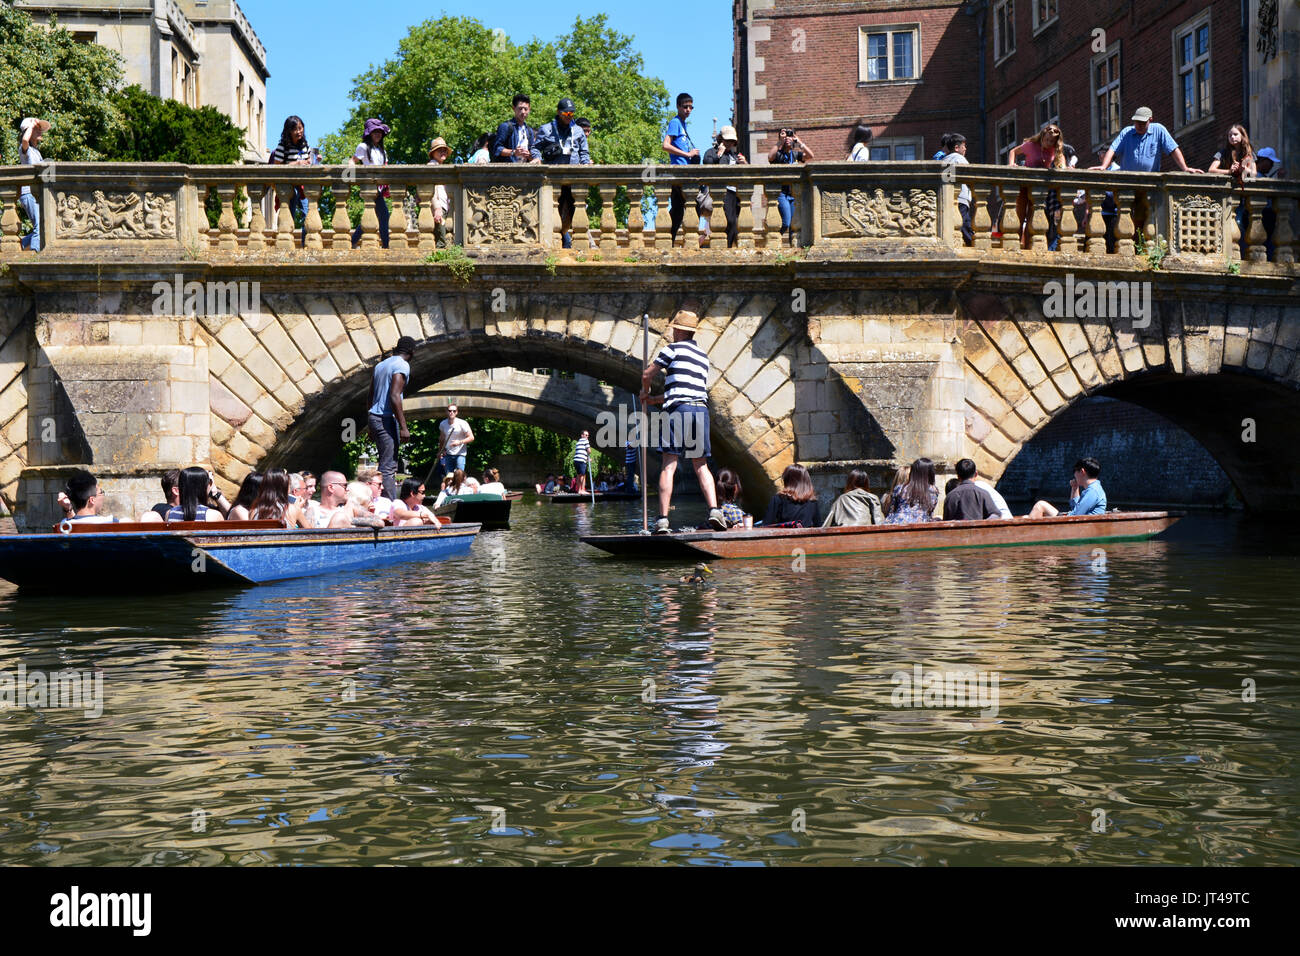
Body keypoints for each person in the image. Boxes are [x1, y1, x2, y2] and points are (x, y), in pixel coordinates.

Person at [641, 300, 726, 533]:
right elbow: (682, 391)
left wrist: (644, 391)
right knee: (702, 465)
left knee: (669, 465)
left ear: (678, 331)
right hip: (699, 410)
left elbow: (648, 374)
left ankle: (662, 520)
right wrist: (654, 400)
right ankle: (714, 511)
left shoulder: (673, 349)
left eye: (673, 330)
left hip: (679, 411)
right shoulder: (702, 357)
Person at [1092, 107, 1202, 238]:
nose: (1138, 125)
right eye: (1136, 122)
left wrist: (1185, 168)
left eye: (1142, 123)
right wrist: (1104, 166)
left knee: (1142, 218)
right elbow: (1113, 149)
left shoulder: (1159, 130)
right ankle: (1130, 246)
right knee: (1124, 217)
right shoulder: (1127, 132)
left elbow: (1173, 149)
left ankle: (1139, 245)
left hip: (1147, 185)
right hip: (1127, 184)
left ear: (1150, 120)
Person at [535, 98, 592, 249]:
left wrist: (585, 166)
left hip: (573, 177)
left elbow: (584, 153)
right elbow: (535, 148)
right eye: (566, 113)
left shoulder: (578, 131)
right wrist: (536, 158)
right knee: (554, 211)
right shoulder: (546, 129)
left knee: (575, 212)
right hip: (554, 179)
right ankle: (555, 243)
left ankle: (564, 237)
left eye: (572, 113)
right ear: (558, 112)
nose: (569, 116)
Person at [369, 336, 416, 501]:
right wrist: (404, 427)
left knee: (384, 462)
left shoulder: (380, 365)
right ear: (411, 352)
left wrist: (370, 426)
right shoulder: (402, 365)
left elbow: (371, 395)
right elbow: (395, 396)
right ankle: (389, 504)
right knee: (388, 467)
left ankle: (378, 498)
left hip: (374, 417)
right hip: (386, 419)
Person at [1008, 123, 1065, 250]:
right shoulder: (1030, 145)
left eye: (1052, 141)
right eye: (1047, 139)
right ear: (1043, 135)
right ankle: (1014, 245)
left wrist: (1065, 168)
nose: (1048, 142)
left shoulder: (1055, 150)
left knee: (1032, 217)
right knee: (1020, 214)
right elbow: (1013, 151)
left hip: (1039, 187)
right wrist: (1011, 165)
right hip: (1024, 185)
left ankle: (1029, 246)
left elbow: (1062, 164)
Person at [269, 115, 317, 245]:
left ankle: (304, 244)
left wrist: (312, 161)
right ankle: (285, 242)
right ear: (288, 131)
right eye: (295, 129)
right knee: (289, 214)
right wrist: (297, 163)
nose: (299, 131)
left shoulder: (305, 146)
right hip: (288, 187)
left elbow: (308, 163)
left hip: (303, 186)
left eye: (301, 128)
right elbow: (276, 168)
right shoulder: (282, 147)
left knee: (308, 214)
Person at [662, 93, 702, 245]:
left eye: (691, 107)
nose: (688, 110)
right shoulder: (675, 122)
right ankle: (690, 238)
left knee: (678, 209)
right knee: (694, 205)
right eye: (685, 107)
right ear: (678, 106)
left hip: (683, 171)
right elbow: (665, 145)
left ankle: (668, 240)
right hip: (679, 172)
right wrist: (687, 154)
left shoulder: (682, 124)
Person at [703, 126, 747, 248]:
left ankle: (728, 247)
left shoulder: (735, 154)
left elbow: (746, 174)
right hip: (721, 192)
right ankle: (724, 248)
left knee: (735, 224)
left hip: (736, 193)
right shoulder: (711, 152)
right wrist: (719, 154)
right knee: (729, 222)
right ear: (720, 139)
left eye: (732, 141)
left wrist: (745, 164)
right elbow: (707, 165)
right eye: (727, 141)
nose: (730, 144)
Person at [351, 118, 391, 248]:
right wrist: (351, 178)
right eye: (375, 131)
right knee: (384, 215)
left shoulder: (382, 151)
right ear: (369, 133)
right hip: (369, 187)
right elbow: (352, 161)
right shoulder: (363, 147)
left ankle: (352, 242)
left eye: (380, 131)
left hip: (379, 188)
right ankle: (386, 246)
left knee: (373, 216)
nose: (378, 134)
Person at [768, 128, 814, 240]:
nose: (787, 138)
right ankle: (773, 240)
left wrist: (799, 142)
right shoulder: (778, 154)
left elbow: (810, 156)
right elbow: (770, 157)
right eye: (785, 135)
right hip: (782, 193)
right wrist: (780, 141)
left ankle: (792, 246)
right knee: (786, 223)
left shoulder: (795, 154)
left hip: (794, 193)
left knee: (795, 224)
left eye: (790, 135)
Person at [1028, 457, 1107, 518]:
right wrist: (1074, 488)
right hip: (1080, 526)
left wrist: (1062, 516)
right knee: (1041, 507)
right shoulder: (1094, 489)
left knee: (1040, 505)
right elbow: (1075, 507)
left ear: (1082, 472)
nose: (1074, 475)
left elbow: (1076, 514)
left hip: (1079, 528)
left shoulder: (1093, 491)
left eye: (1075, 471)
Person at [18, 117, 50, 252]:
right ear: (29, 131)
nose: (40, 131)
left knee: (43, 228)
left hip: (36, 193)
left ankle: (16, 245)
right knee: (39, 227)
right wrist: (30, 126)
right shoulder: (24, 149)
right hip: (28, 193)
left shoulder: (36, 151)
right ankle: (35, 255)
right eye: (37, 129)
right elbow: (25, 140)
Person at [882, 458, 938, 524]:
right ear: (930, 473)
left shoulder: (900, 488)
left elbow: (892, 510)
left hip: (896, 523)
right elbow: (929, 514)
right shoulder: (933, 491)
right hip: (920, 526)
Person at [493, 94, 541, 164]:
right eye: (520, 108)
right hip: (508, 170)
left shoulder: (529, 131)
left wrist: (529, 155)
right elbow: (497, 149)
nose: (523, 112)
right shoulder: (505, 126)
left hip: (525, 170)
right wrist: (514, 152)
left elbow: (532, 152)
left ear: (529, 110)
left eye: (526, 109)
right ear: (514, 108)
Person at [943, 133, 973, 245]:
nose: (965, 148)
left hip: (949, 198)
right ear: (956, 148)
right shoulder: (959, 158)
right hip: (961, 198)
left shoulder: (945, 160)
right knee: (964, 222)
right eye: (963, 146)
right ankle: (970, 242)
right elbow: (969, 176)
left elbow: (945, 179)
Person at [426, 137, 453, 248]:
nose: (443, 152)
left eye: (444, 150)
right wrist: (437, 208)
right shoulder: (432, 166)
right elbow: (431, 190)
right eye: (439, 150)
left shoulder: (441, 167)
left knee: (445, 239)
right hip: (439, 208)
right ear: (433, 153)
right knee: (441, 242)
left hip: (444, 207)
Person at [436, 403, 474, 476]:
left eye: (454, 411)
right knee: (449, 477)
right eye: (450, 411)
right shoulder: (443, 424)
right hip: (448, 454)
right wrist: (440, 451)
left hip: (460, 454)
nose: (451, 412)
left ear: (457, 412)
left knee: (459, 476)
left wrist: (459, 442)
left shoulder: (462, 423)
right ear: (447, 412)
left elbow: (471, 437)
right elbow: (441, 439)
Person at [572, 430, 591, 494]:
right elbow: (589, 450)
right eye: (586, 435)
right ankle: (582, 490)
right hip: (581, 461)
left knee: (578, 475)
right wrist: (588, 458)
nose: (587, 436)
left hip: (576, 460)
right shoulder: (586, 441)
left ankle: (579, 490)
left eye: (588, 435)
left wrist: (586, 459)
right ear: (582, 435)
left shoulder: (578, 442)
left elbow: (581, 452)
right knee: (583, 476)